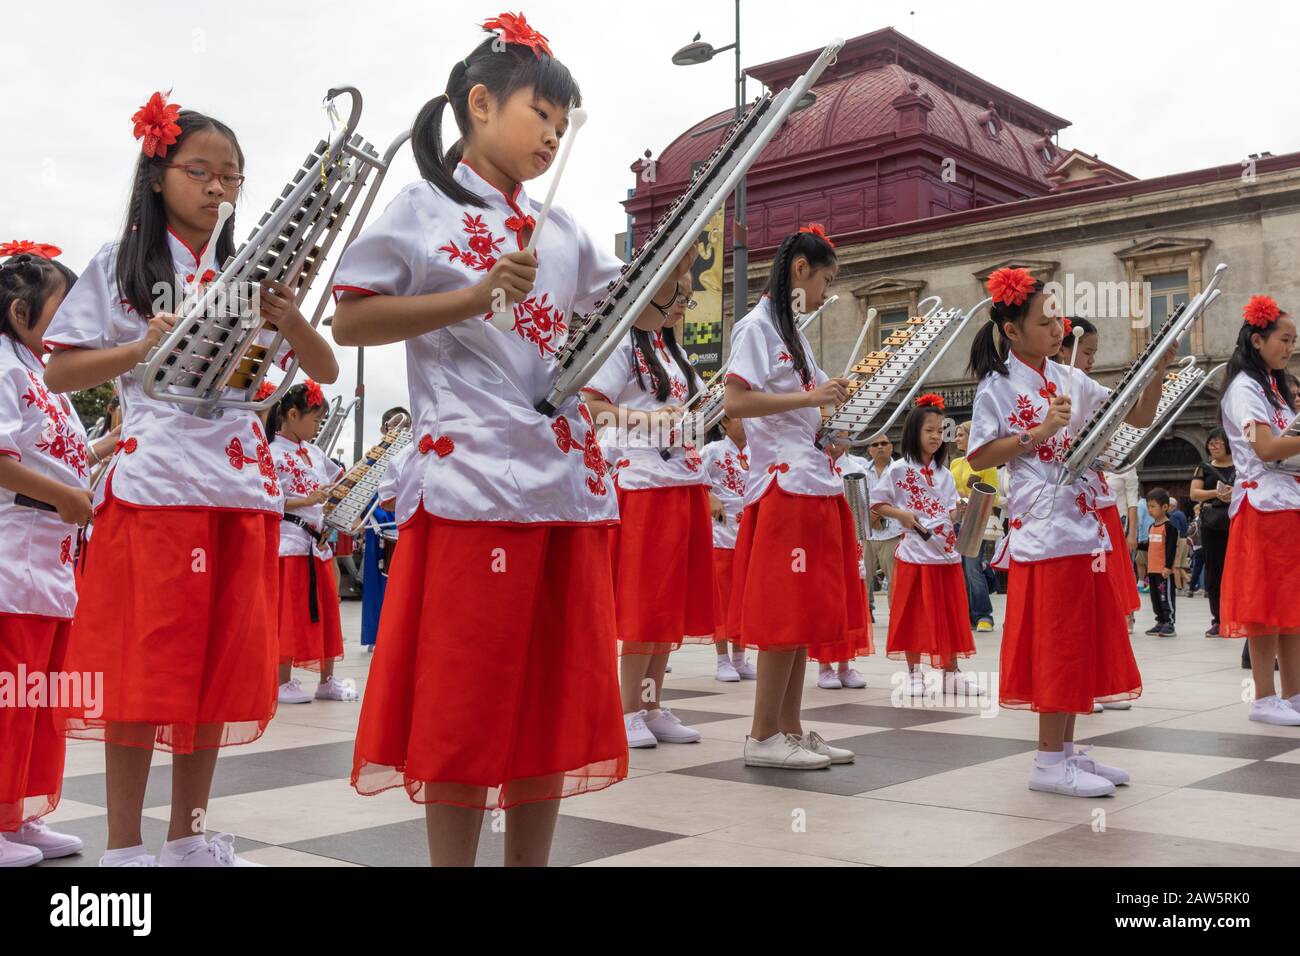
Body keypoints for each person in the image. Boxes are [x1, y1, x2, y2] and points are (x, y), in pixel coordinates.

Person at [331, 12, 693, 865]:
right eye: (541, 115)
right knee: (462, 703)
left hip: (561, 486)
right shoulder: (422, 207)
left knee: (551, 702)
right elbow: (351, 318)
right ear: (481, 104)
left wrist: (676, 259)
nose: (552, 135)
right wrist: (468, 297)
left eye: (563, 126)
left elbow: (637, 309)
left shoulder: (560, 226)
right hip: (469, 489)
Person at [43, 91, 339, 867]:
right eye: (199, 171)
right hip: (157, 490)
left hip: (239, 493)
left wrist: (294, 316)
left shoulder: (251, 272)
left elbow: (325, 368)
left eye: (231, 176)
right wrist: (140, 348)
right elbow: (68, 369)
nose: (217, 188)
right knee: (146, 673)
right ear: (157, 175)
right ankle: (123, 847)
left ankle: (187, 836)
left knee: (214, 676)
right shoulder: (120, 266)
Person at [966, 266, 1171, 797]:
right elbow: (982, 453)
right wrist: (1037, 433)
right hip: (1042, 531)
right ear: (1012, 331)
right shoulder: (997, 386)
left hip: (1082, 529)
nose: (1058, 330)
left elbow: (1136, 418)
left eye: (1058, 318)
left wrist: (1157, 372)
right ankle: (1048, 760)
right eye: (1045, 321)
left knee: (1077, 642)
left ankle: (1067, 750)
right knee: (1056, 643)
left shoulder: (1069, 378)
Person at [724, 224, 869, 770]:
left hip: (811, 480)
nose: (826, 294)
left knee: (804, 614)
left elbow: (805, 412)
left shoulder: (795, 336)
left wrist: (833, 422)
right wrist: (810, 396)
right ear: (800, 270)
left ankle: (790, 727)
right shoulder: (755, 328)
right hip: (781, 485)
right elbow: (734, 403)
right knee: (784, 614)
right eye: (825, 281)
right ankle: (762, 734)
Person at [0, 246, 107, 866]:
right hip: (14, 557)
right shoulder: (5, 367)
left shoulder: (45, 375)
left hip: (53, 564)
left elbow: (60, 458)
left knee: (36, 704)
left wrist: (113, 444)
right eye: (63, 309)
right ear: (20, 310)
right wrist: (66, 496)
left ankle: (19, 812)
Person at [582, 276, 715, 747]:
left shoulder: (673, 353)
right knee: (644, 601)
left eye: (686, 298)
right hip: (643, 483)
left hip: (681, 479)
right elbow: (592, 405)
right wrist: (647, 420)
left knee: (667, 603)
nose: (682, 305)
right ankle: (627, 710)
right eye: (675, 296)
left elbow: (693, 411)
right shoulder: (623, 344)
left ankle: (651, 703)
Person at [1215, 294, 1300, 726]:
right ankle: (1265, 697)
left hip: (1287, 503)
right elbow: (1265, 448)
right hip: (1263, 504)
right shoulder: (1245, 389)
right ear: (1257, 339)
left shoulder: (1275, 387)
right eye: (1284, 339)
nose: (1289, 348)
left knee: (1291, 606)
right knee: (1266, 605)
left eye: (1293, 341)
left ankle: (1294, 694)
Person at [870, 395, 982, 695]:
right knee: (913, 614)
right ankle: (914, 674)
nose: (935, 436)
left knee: (950, 612)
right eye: (928, 430)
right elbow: (877, 503)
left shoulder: (945, 475)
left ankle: (951, 672)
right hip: (915, 552)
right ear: (914, 432)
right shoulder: (898, 470)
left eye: (939, 430)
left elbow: (948, 510)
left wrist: (961, 509)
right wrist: (902, 515)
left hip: (945, 552)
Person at [269, 381, 353, 703]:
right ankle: (281, 681)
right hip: (289, 541)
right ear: (292, 414)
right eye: (315, 420)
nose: (318, 427)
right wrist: (304, 500)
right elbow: (266, 497)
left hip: (317, 543)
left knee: (328, 611)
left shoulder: (315, 453)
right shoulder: (272, 453)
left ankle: (326, 679)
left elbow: (337, 481)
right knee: (289, 612)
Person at [701, 414, 757, 682]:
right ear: (725, 423)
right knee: (723, 595)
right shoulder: (712, 451)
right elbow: (694, 478)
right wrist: (710, 496)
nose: (746, 422)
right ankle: (722, 659)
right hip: (721, 530)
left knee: (745, 595)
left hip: (749, 528)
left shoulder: (757, 451)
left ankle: (739, 657)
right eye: (740, 418)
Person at [949, 419, 998, 631]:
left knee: (972, 569)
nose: (957, 438)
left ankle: (983, 615)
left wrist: (967, 495)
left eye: (961, 434)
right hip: (955, 520)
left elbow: (993, 497)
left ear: (972, 436)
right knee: (958, 571)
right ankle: (965, 615)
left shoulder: (986, 462)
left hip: (975, 521)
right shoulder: (954, 463)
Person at [1189, 427, 1234, 637]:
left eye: (1218, 442)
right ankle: (1218, 619)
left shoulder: (1241, 465)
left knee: (1237, 570)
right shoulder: (1203, 467)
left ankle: (1238, 616)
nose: (1213, 446)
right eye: (1211, 443)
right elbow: (1194, 493)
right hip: (1213, 522)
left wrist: (1235, 493)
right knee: (1214, 570)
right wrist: (1216, 493)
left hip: (1236, 519)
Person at [862, 431, 901, 609]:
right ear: (869, 450)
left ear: (891, 447)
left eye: (884, 444)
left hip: (892, 532)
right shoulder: (860, 471)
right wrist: (869, 517)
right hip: (866, 533)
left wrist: (878, 514)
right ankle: (862, 616)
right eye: (875, 444)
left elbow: (903, 499)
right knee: (861, 577)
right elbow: (857, 498)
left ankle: (897, 618)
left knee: (895, 581)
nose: (880, 447)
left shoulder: (900, 470)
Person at [1143, 488, 1178, 636]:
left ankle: (1169, 622)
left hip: (1163, 570)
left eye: (1153, 506)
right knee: (1155, 598)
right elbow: (1149, 546)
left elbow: (1170, 549)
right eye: (1148, 507)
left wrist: (1168, 566)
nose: (1149, 510)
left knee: (1165, 597)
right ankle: (1160, 621)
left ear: (1164, 507)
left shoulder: (1169, 527)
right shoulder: (1152, 527)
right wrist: (1134, 544)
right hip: (1152, 570)